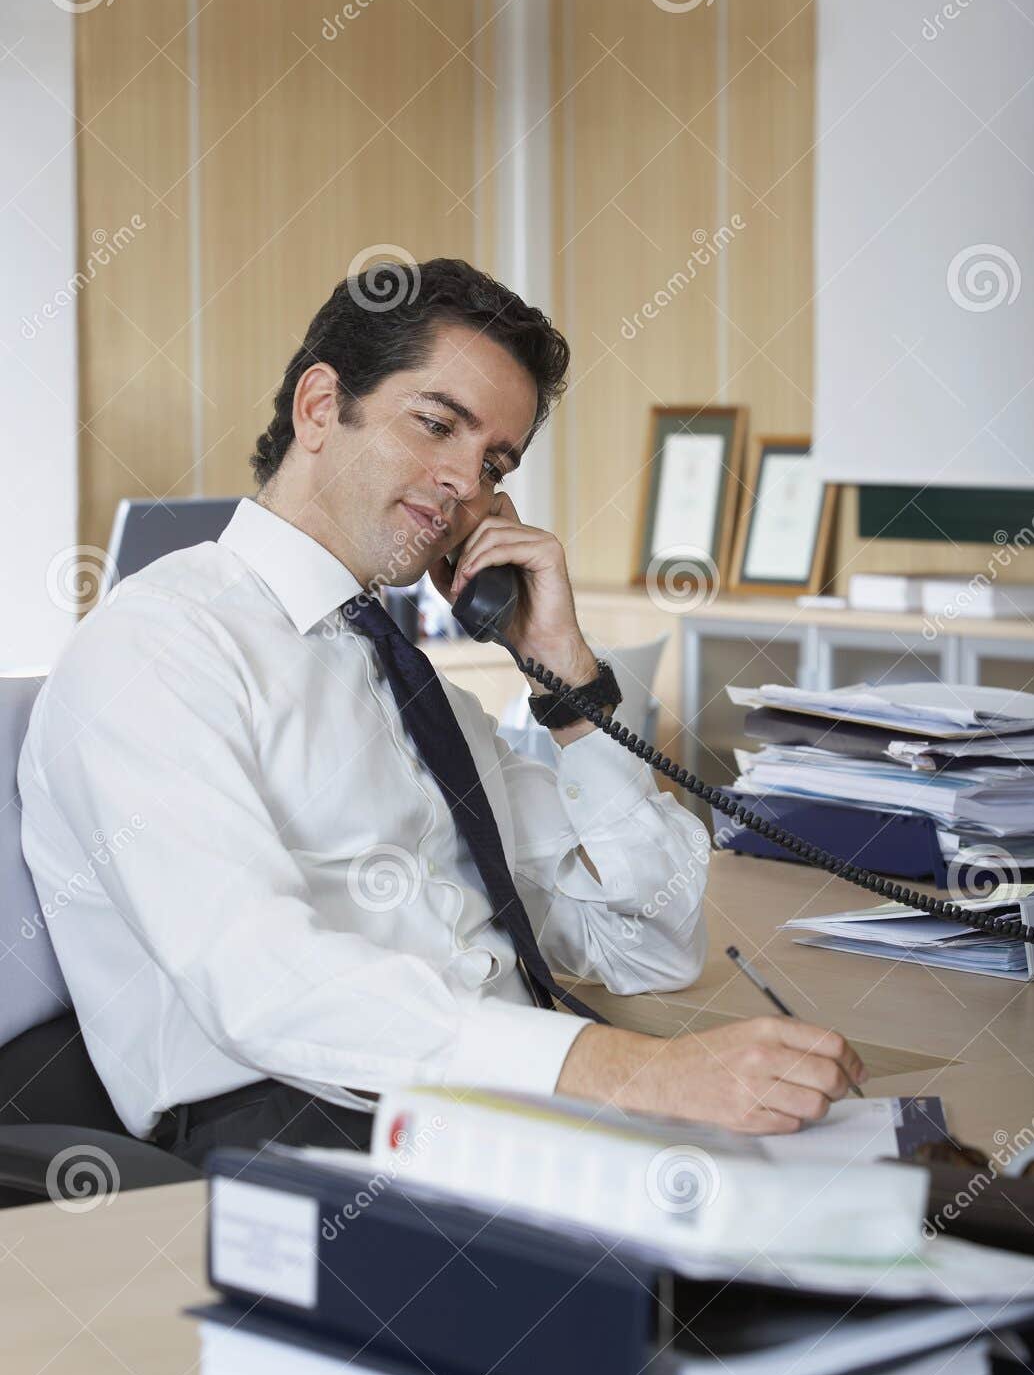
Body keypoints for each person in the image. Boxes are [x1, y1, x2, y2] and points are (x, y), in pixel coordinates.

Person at [19, 258, 866, 1167]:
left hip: (492, 1113)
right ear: (319, 407)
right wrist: (632, 1073)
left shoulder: (423, 697)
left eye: (495, 463)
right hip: (308, 1131)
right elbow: (258, 983)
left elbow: (647, 947)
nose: (467, 481)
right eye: (436, 425)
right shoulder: (159, 647)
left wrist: (572, 692)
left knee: (888, 1190)